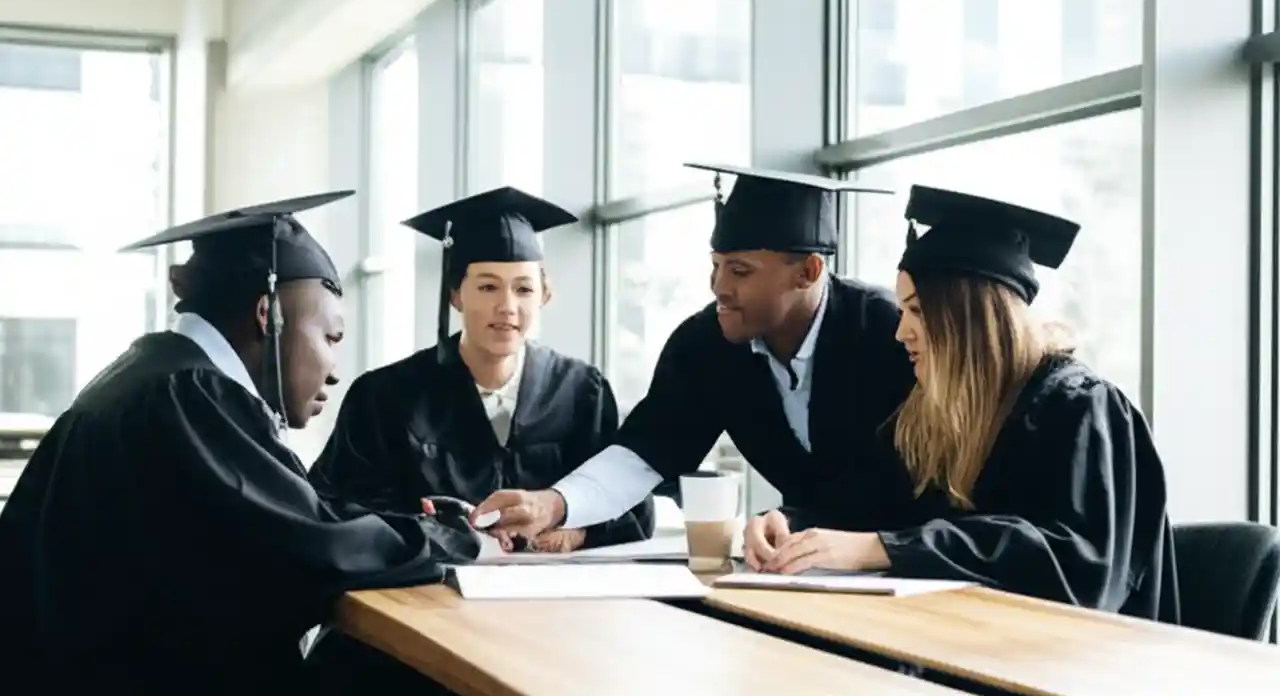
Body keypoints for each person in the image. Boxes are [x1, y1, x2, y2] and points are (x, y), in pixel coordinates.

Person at [0, 192, 481, 691]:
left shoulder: (152, 373)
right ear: (267, 313)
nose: (335, 371)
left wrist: (414, 524)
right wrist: (458, 538)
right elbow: (310, 547)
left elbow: (288, 515)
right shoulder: (186, 393)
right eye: (331, 338)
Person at [750, 185, 1180, 623]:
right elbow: (869, 503)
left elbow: (1078, 565)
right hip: (967, 644)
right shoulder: (935, 413)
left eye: (916, 311)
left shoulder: (1082, 409)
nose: (901, 334)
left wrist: (883, 548)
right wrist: (790, 524)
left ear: (968, 316)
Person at [470, 164, 916, 546]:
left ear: (808, 271)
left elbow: (909, 481)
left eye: (739, 271)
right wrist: (555, 504)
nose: (719, 287)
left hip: (916, 562)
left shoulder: (890, 335)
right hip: (808, 564)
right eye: (716, 266)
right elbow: (648, 450)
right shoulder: (707, 343)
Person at [310, 187, 653, 552]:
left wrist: (579, 533)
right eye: (488, 286)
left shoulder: (582, 391)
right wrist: (443, 536)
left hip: (556, 594)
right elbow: (337, 506)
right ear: (455, 294)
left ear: (544, 296)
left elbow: (634, 509)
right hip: (426, 594)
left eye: (523, 289)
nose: (506, 306)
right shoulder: (385, 396)